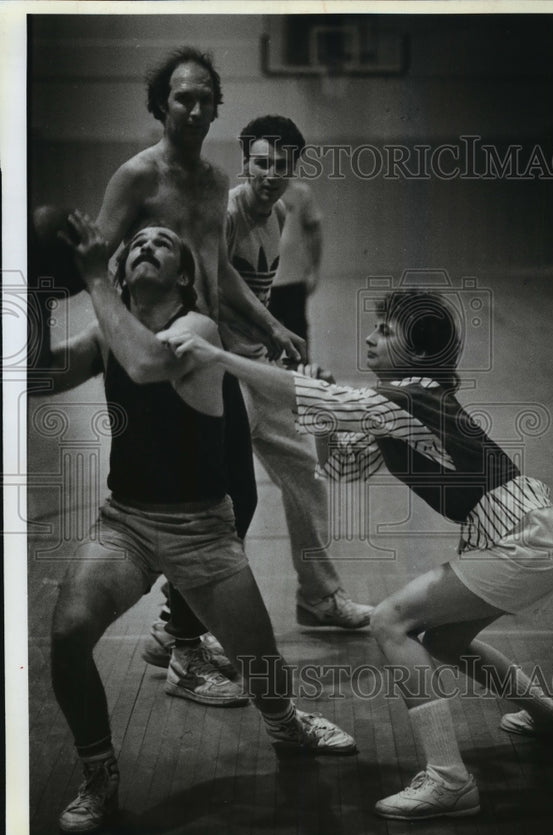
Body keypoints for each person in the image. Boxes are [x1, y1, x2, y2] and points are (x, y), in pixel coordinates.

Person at [158, 285, 553, 822]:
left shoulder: (412, 397)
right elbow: (341, 467)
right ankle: (550, 717)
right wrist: (323, 408)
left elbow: (341, 407)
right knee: (446, 640)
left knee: (390, 622)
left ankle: (451, 780)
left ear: (420, 350)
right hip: (529, 536)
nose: (369, 337)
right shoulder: (404, 402)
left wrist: (222, 358)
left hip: (521, 541)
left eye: (385, 331)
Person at [46, 214, 356, 835]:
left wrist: (91, 277)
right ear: (123, 270)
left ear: (185, 276)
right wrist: (34, 293)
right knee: (67, 636)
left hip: (202, 530)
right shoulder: (109, 331)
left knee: (264, 673)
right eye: (137, 243)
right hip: (126, 523)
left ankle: (285, 723)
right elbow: (36, 377)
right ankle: (100, 774)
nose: (147, 247)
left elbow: (147, 365)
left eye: (162, 243)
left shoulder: (197, 327)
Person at [94, 47, 307, 705]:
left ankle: (176, 631)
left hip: (208, 363)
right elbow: (98, 264)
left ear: (216, 107)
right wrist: (130, 340)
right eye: (181, 97)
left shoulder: (216, 182)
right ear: (163, 105)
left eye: (203, 98)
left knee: (233, 500)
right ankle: (183, 650)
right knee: (179, 509)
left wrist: (271, 327)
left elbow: (217, 275)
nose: (192, 107)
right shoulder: (136, 177)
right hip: (155, 368)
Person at [218, 114, 373, 628]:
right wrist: (273, 330)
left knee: (305, 477)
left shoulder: (280, 213)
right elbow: (217, 286)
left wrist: (283, 356)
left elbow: (255, 297)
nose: (270, 173)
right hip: (219, 373)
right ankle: (183, 624)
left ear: (293, 170)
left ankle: (318, 598)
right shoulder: (228, 211)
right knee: (226, 498)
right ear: (246, 164)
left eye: (281, 165)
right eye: (261, 163)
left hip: (257, 369)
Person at [268, 179, 323, 353]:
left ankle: (302, 377)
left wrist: (314, 270)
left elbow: (315, 232)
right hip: (265, 282)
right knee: (266, 341)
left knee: (298, 338)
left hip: (294, 279)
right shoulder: (258, 191)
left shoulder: (301, 193)